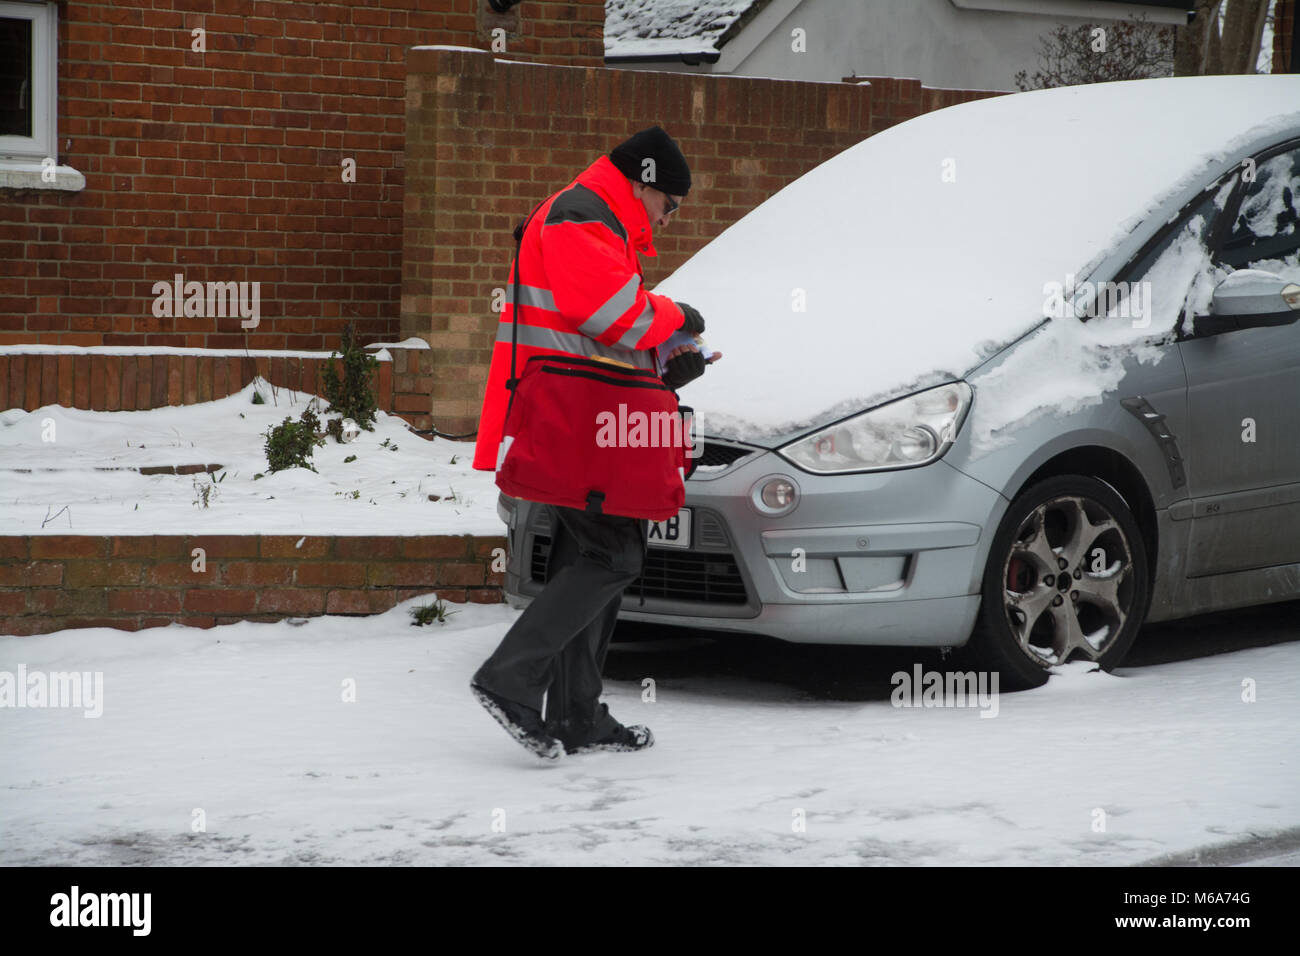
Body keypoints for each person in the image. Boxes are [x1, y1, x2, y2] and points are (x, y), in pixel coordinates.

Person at [469, 126, 711, 760]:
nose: (668, 218)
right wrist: (678, 316)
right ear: (644, 182)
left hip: (581, 409)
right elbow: (613, 316)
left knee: (593, 553)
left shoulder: (592, 217)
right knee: (616, 556)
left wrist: (667, 364)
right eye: (670, 203)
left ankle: (577, 714)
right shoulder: (582, 214)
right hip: (576, 415)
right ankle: (510, 678)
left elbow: (599, 333)